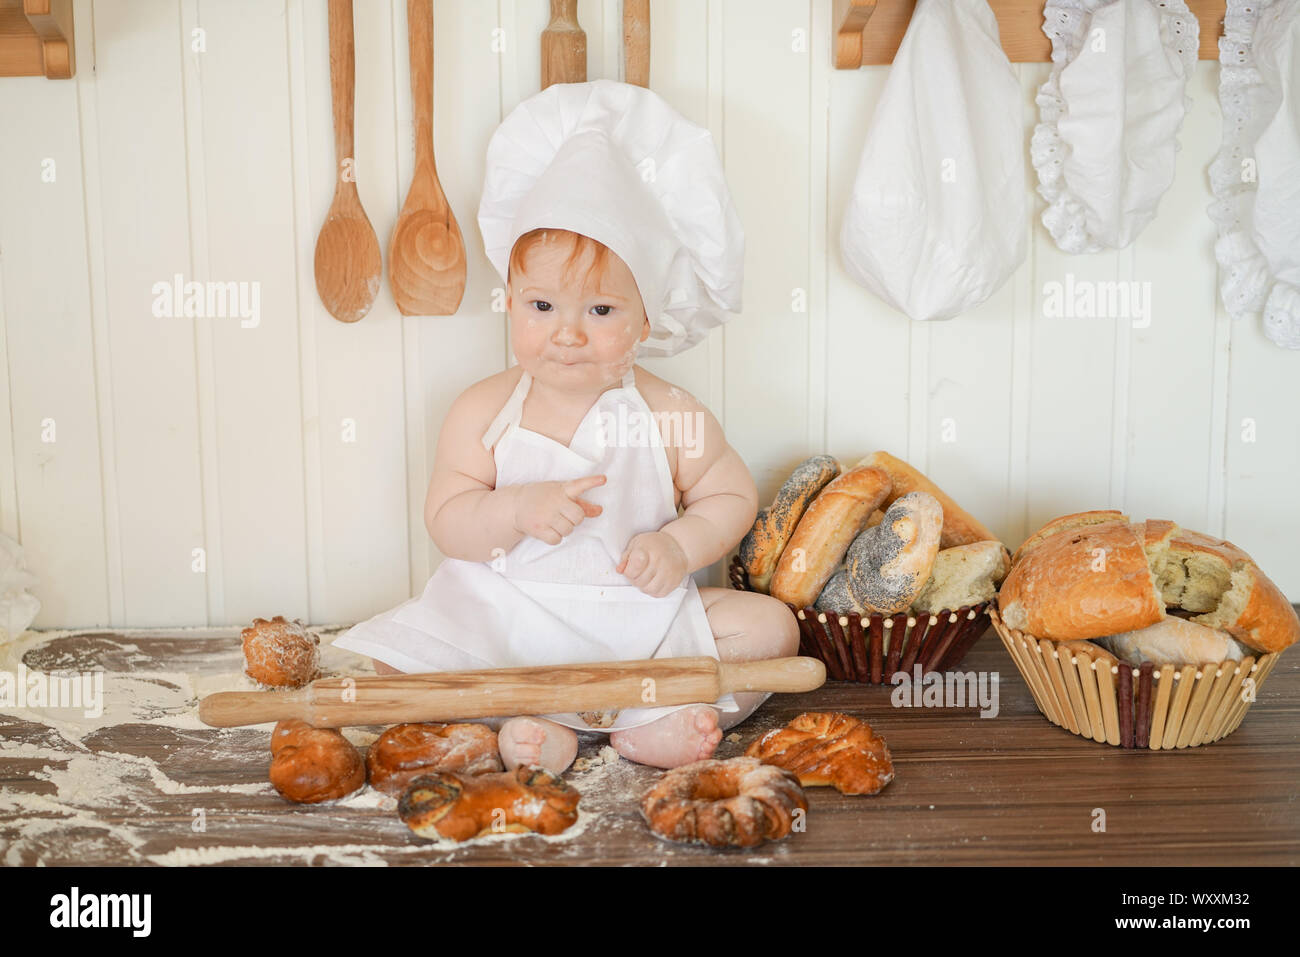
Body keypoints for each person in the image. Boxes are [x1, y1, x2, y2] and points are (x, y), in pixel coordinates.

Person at [332, 80, 798, 774]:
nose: (568, 334)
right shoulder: (483, 409)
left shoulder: (669, 411)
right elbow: (447, 519)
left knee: (771, 629)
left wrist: (679, 544)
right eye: (543, 305)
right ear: (511, 302)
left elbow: (730, 496)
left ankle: (647, 720)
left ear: (646, 319)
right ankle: (533, 722)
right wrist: (512, 508)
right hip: (512, 615)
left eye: (602, 311)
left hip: (638, 621)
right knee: (396, 662)